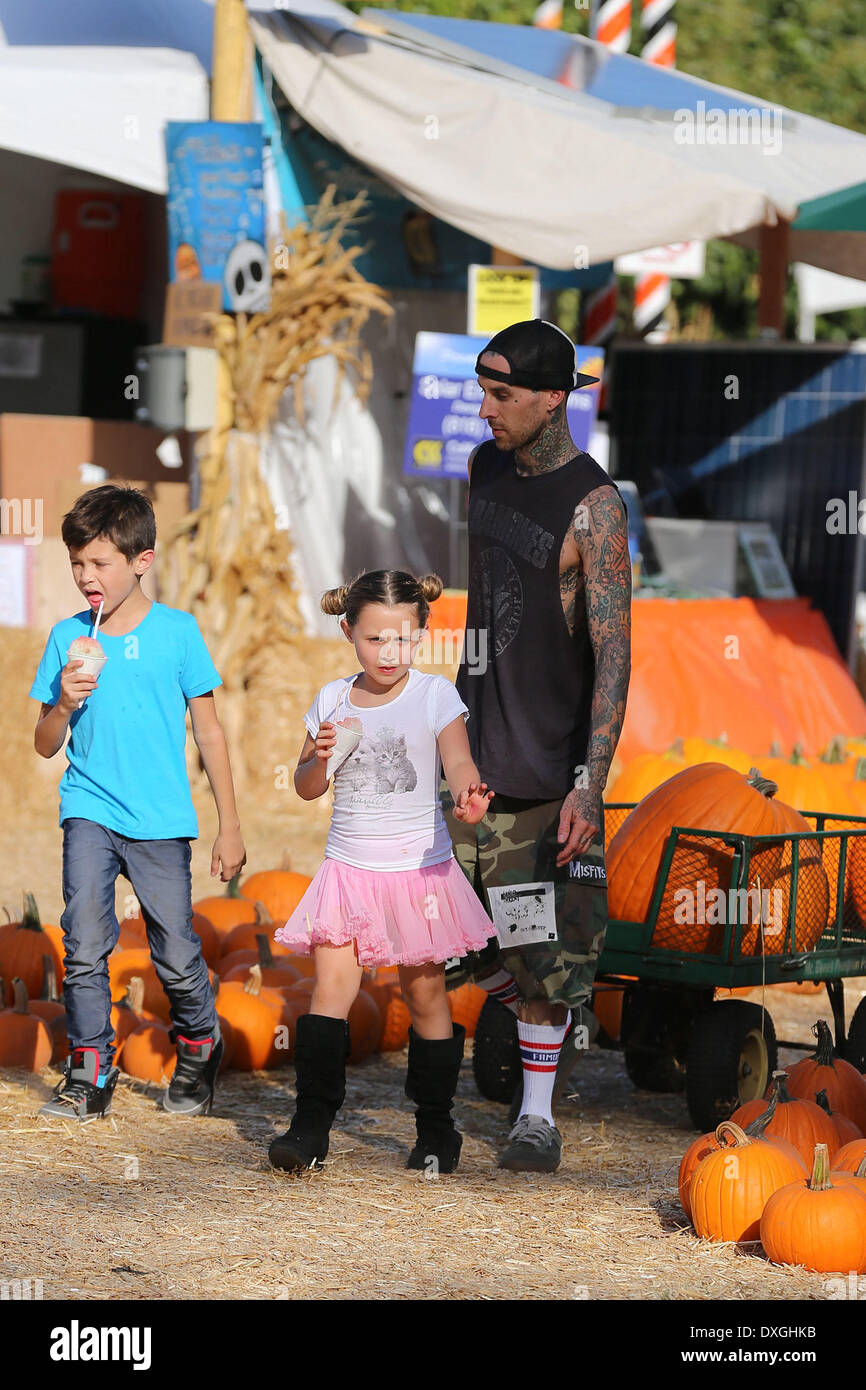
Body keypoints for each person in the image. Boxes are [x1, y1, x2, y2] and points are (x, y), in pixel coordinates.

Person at [442, 319, 631, 1173]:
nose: (484, 409)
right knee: (449, 935)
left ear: (554, 398)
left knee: (535, 945)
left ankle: (536, 1119)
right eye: (482, 390)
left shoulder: (595, 507)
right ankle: (516, 1022)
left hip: (541, 776)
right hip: (466, 756)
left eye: (502, 394)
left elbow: (614, 652)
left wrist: (589, 782)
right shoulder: (482, 468)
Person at [29, 485, 246, 1121]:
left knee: (175, 949)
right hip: (89, 808)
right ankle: (89, 1072)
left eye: (100, 564)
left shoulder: (177, 633)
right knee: (85, 941)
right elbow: (45, 745)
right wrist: (65, 701)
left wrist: (228, 826)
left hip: (159, 820)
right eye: (76, 563)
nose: (85, 577)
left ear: (142, 561)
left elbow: (209, 731)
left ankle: (201, 1043)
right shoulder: (67, 638)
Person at [268, 569, 494, 1175]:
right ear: (348, 632)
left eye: (401, 639)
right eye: (374, 640)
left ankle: (436, 1128)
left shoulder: (435, 697)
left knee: (424, 994)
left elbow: (459, 761)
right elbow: (307, 787)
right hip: (349, 869)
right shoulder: (332, 700)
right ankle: (311, 1123)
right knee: (331, 992)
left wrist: (469, 794)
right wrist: (317, 759)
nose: (388, 653)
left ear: (421, 633)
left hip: (419, 873)